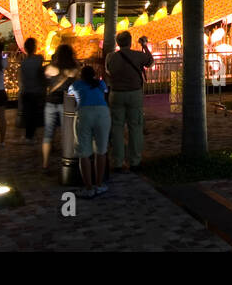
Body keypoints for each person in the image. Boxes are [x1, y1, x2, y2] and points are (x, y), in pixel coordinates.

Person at [105, 31, 153, 171]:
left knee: (117, 129)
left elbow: (108, 71)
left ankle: (118, 162)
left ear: (118, 43)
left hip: (116, 94)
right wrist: (144, 46)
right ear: (130, 42)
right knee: (135, 128)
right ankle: (135, 161)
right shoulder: (138, 56)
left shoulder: (110, 57)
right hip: (134, 93)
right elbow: (150, 62)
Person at [68, 65, 111, 196]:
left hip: (84, 113)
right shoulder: (100, 83)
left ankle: (88, 188)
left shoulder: (75, 85)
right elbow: (105, 91)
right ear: (93, 74)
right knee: (101, 150)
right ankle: (99, 184)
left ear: (81, 75)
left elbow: (69, 95)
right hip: (102, 113)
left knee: (84, 152)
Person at [41, 43, 79, 173]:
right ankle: (67, 161)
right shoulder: (73, 70)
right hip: (66, 104)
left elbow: (44, 83)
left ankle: (45, 163)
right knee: (67, 133)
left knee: (48, 133)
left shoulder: (49, 68)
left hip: (50, 103)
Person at [18, 38, 46, 143]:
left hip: (26, 90)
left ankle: (28, 135)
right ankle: (32, 135)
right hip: (37, 90)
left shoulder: (24, 62)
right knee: (35, 114)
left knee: (28, 114)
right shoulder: (39, 59)